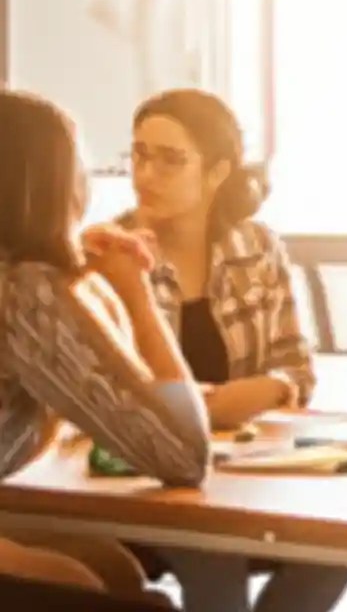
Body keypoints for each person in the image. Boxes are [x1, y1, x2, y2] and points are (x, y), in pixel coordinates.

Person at [113, 88, 347, 612]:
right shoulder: (114, 253)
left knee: (342, 543)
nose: (146, 174)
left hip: (249, 470)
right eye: (138, 154)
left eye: (170, 160)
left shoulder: (257, 247)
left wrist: (259, 391)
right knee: (215, 556)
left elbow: (296, 368)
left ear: (218, 172)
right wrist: (215, 403)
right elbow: (123, 392)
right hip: (148, 481)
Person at [0, 89, 209, 601]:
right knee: (114, 593)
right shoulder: (24, 295)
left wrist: (82, 281)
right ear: (49, 186)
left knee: (111, 568)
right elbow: (182, 454)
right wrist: (135, 295)